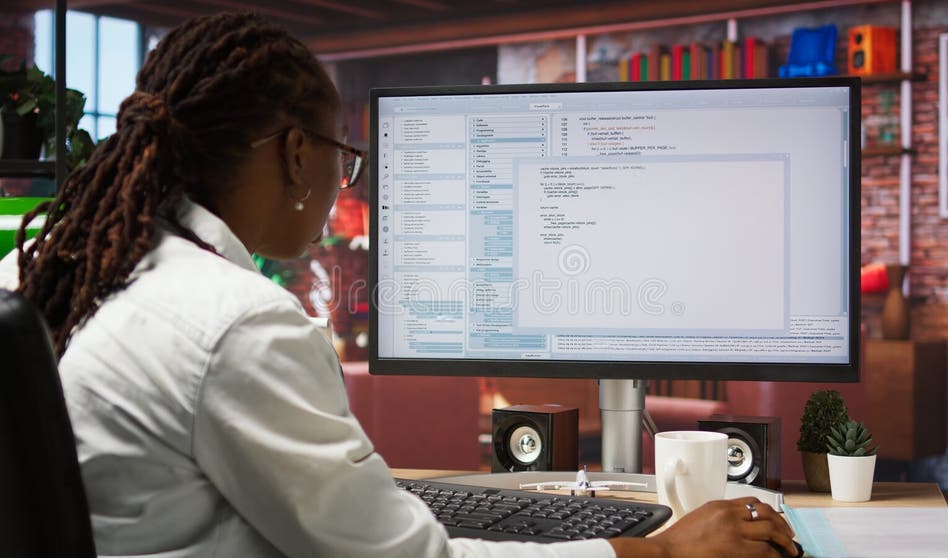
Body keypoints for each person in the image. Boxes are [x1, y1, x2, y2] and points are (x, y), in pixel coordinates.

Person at [0, 12, 798, 558]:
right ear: (293, 154)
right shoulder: (234, 324)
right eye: (340, 158)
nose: (341, 180)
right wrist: (654, 552)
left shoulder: (64, 268)